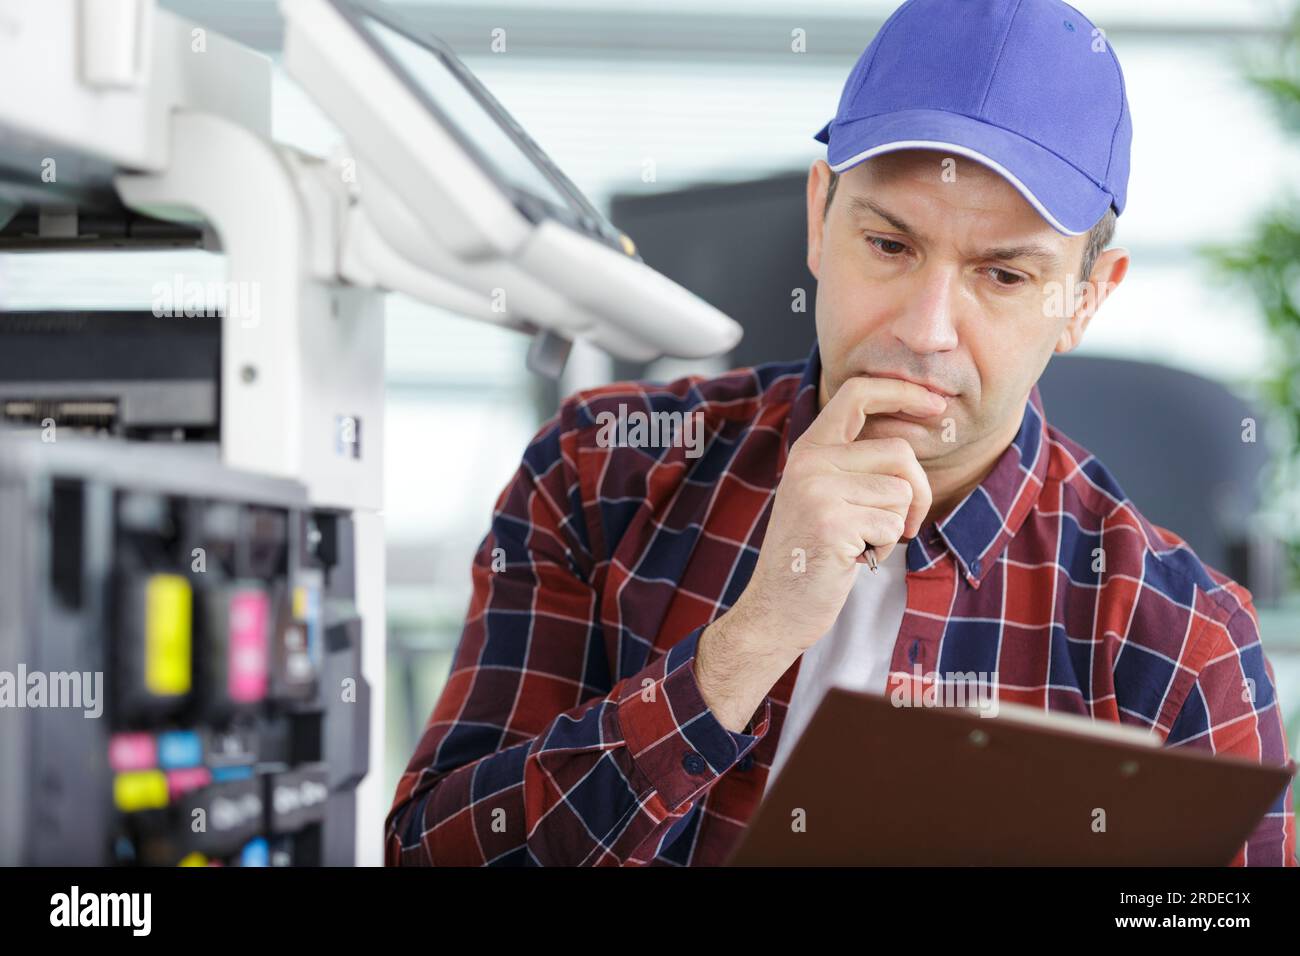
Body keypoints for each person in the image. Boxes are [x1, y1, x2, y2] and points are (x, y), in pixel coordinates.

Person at [386, 0, 1296, 866]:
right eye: (891, 246)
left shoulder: (1185, 640)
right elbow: (429, 853)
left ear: (1085, 301)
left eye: (1004, 277)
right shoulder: (598, 470)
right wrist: (741, 651)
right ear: (820, 218)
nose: (926, 329)